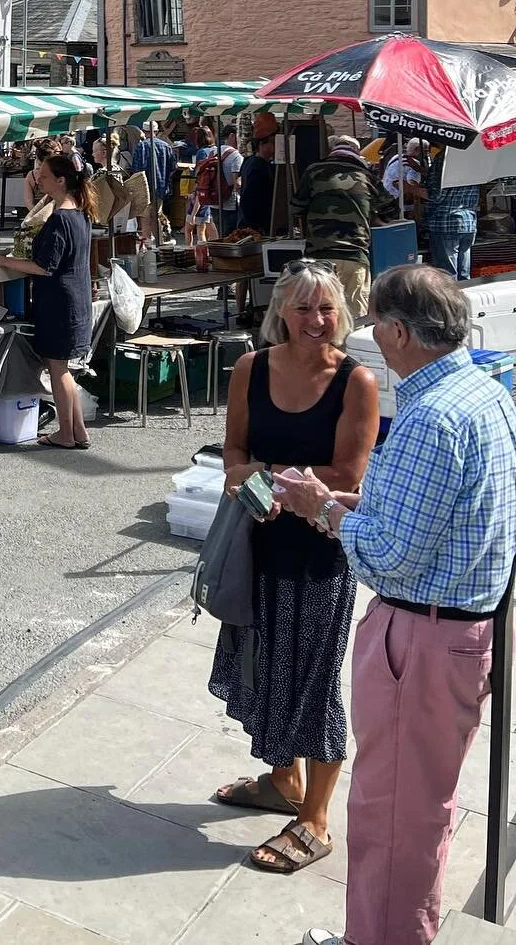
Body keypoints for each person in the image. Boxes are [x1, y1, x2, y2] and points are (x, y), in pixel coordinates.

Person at [279, 266, 516, 945]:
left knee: (391, 815)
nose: (368, 333)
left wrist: (323, 509)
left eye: (376, 321)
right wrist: (361, 507)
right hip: (457, 630)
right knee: (419, 811)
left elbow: (389, 558)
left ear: (402, 331)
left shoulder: (430, 417)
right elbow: (446, 515)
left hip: (421, 636)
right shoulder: (482, 391)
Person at [205, 262, 379, 876]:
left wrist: (270, 479)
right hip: (256, 547)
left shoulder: (355, 381)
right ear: (281, 311)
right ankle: (283, 782)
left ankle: (317, 819)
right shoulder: (251, 368)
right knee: (262, 671)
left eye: (326, 308)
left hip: (317, 554)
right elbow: (233, 449)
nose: (316, 320)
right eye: (303, 308)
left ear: (343, 313)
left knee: (312, 682)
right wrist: (240, 476)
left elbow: (349, 476)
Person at [0, 152, 95, 447]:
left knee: (58, 369)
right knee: (64, 369)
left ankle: (65, 433)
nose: (39, 180)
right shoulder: (81, 213)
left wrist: (4, 260)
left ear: (61, 181)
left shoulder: (60, 218)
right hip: (75, 300)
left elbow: (43, 266)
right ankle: (77, 431)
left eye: (45, 176)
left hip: (60, 303)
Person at [290, 134, 399, 317]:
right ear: (356, 153)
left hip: (319, 255)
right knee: (355, 315)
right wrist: (370, 215)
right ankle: (352, 346)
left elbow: (296, 207)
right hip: (355, 255)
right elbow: (391, 210)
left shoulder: (313, 171)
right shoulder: (366, 175)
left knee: (320, 311)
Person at [235, 113, 280, 324]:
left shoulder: (250, 162)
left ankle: (246, 309)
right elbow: (250, 199)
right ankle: (251, 310)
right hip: (253, 226)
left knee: (248, 272)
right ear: (266, 143)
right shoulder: (258, 167)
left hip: (249, 223)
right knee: (252, 271)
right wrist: (257, 227)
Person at [422, 146, 479, 281]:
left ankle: (450, 301)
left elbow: (436, 195)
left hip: (446, 221)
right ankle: (465, 299)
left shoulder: (444, 158)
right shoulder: (473, 159)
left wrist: (409, 188)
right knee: (464, 274)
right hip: (468, 221)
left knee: (448, 276)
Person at [130, 122, 176, 239]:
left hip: (144, 187)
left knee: (145, 218)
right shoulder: (166, 146)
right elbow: (173, 167)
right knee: (156, 215)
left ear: (144, 132)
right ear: (156, 131)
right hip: (161, 187)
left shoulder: (141, 146)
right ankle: (159, 243)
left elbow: (136, 169)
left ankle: (147, 243)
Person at [382, 137, 424, 202]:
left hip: (387, 195)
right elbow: (412, 183)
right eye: (425, 151)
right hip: (400, 199)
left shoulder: (396, 157)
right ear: (417, 149)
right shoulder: (413, 163)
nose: (427, 153)